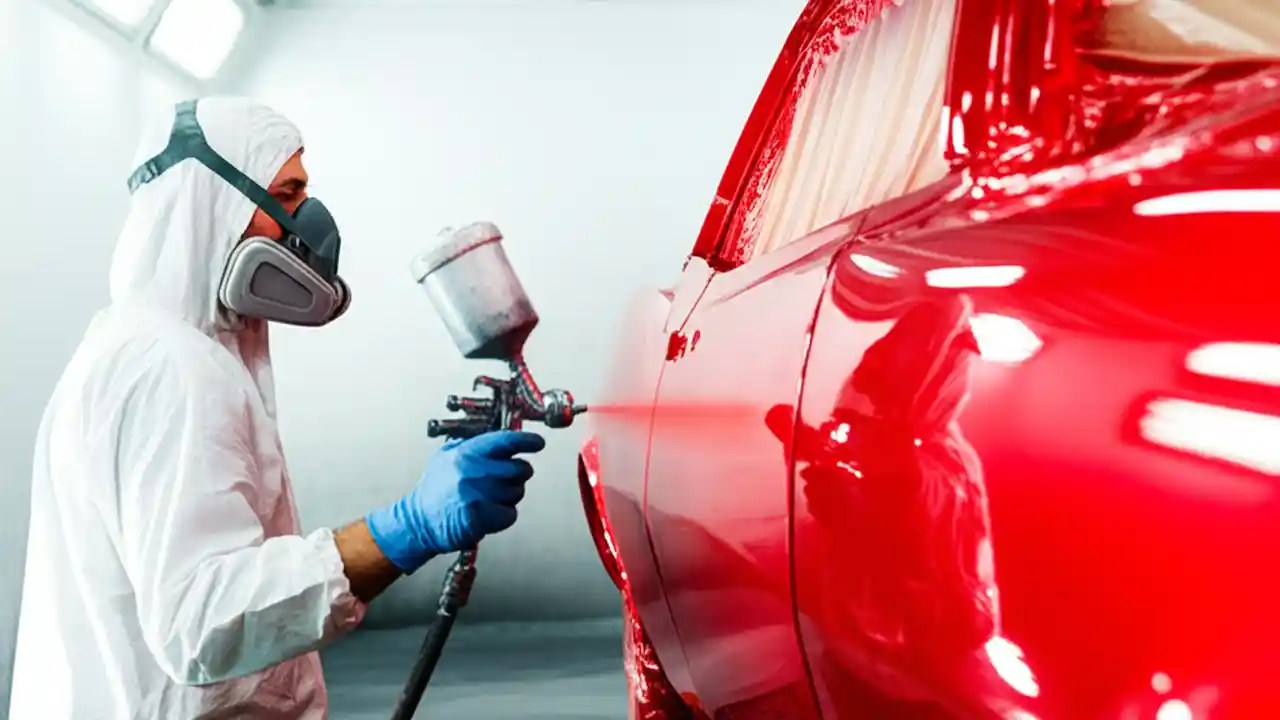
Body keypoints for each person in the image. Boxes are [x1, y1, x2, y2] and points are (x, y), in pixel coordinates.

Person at [9, 96, 545, 719]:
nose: (307, 222)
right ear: (217, 202)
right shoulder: (173, 368)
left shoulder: (134, 346)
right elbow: (200, 618)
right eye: (288, 195)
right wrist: (406, 528)